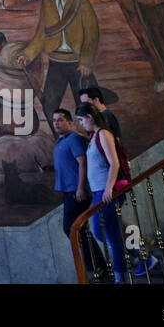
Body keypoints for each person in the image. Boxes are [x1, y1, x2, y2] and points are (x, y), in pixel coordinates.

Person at [17, 0, 101, 122]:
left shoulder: (80, 1)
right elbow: (42, 34)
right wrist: (27, 55)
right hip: (56, 62)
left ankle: (89, 142)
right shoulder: (47, 3)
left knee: (86, 109)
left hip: (78, 64)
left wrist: (87, 61)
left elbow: (92, 33)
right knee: (49, 105)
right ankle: (61, 138)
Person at [75, 103, 131, 282]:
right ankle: (132, 253)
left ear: (90, 117)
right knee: (100, 232)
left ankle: (120, 276)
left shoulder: (104, 134)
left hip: (106, 191)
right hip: (98, 191)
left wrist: (108, 188)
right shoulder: (93, 137)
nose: (82, 124)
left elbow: (114, 162)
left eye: (82, 120)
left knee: (111, 235)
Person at [52, 108, 106, 278]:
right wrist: (47, 168)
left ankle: (97, 265)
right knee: (80, 231)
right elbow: (65, 164)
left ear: (69, 122)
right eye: (54, 120)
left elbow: (82, 163)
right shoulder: (61, 141)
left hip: (76, 192)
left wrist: (81, 187)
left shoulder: (73, 138)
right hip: (68, 191)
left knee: (72, 228)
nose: (56, 123)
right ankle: (97, 267)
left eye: (60, 120)